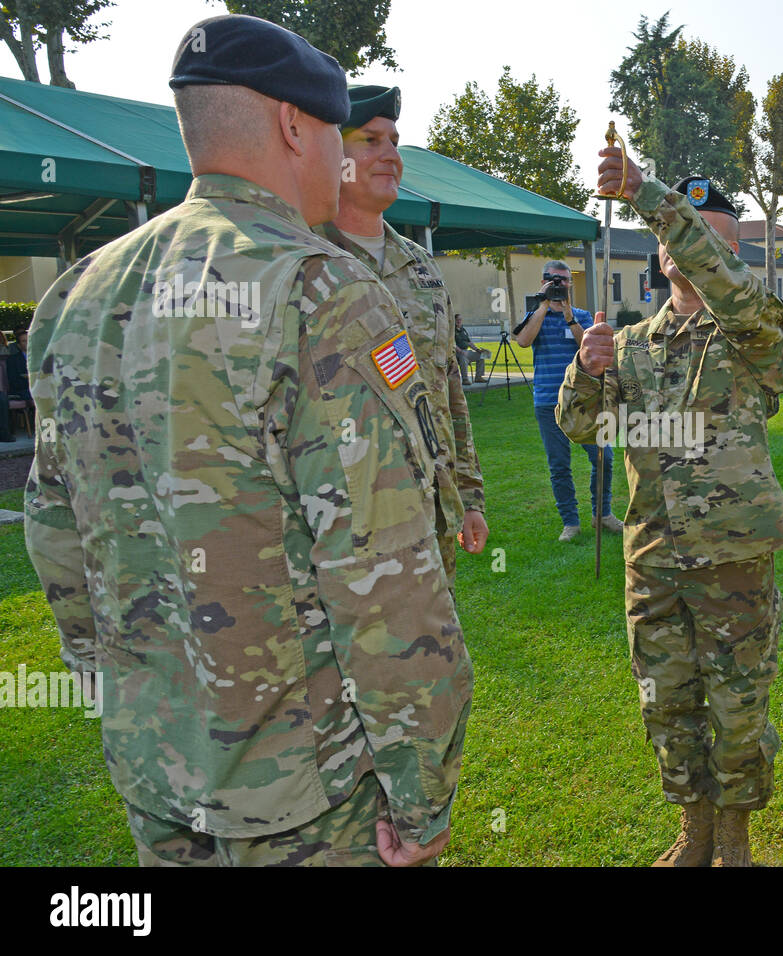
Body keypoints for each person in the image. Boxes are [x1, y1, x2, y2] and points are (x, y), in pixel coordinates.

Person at [23, 14, 472, 867]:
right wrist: (421, 793)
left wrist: (123, 696)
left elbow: (57, 536)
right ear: (294, 124)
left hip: (158, 772)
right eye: (338, 131)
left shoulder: (78, 294)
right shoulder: (321, 288)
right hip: (310, 794)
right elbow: (385, 578)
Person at [558, 160, 783, 866]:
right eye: (678, 232)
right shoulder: (632, 343)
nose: (687, 243)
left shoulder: (755, 330)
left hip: (732, 558)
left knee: (737, 704)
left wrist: (650, 196)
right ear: (661, 254)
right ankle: (694, 830)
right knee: (667, 704)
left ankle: (733, 839)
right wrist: (587, 368)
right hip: (653, 557)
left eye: (708, 238)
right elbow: (583, 428)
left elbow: (735, 293)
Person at [314, 85, 487, 588]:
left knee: (435, 654)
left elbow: (448, 387)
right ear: (332, 153)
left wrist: (469, 496)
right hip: (343, 525)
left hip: (429, 511)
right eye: (370, 140)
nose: (391, 155)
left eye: (394, 141)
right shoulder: (303, 257)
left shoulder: (421, 266)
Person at [513, 260, 620, 543]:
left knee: (604, 458)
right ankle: (570, 523)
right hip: (548, 401)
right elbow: (523, 341)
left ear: (570, 283)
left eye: (563, 280)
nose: (558, 283)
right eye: (552, 279)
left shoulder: (582, 315)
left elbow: (585, 344)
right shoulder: (534, 315)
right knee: (559, 465)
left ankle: (603, 513)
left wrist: (569, 312)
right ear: (542, 282)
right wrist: (544, 305)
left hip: (586, 399)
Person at [454, 314, 489, 384]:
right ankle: (465, 379)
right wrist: (460, 351)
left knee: (481, 356)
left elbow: (469, 343)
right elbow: (452, 343)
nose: (459, 321)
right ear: (454, 320)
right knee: (463, 358)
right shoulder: (452, 331)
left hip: (467, 351)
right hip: (457, 353)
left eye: (460, 319)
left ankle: (478, 377)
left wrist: (477, 350)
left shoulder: (463, 330)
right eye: (457, 319)